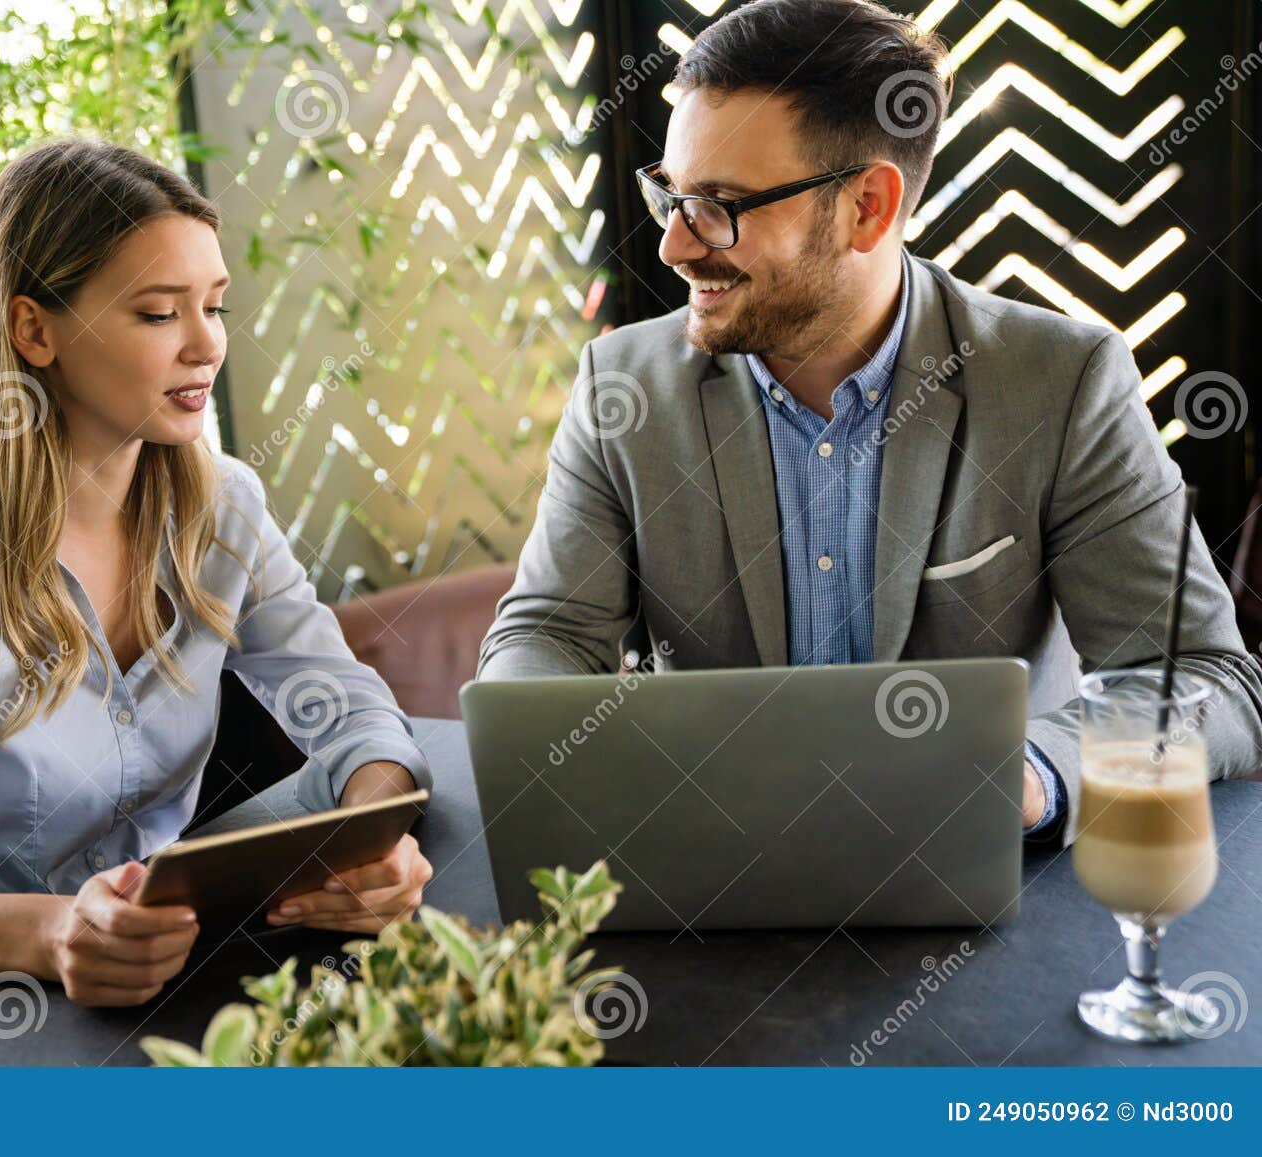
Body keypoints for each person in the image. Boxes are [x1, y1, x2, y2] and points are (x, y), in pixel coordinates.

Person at [477, 0, 1262, 846]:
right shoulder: (620, 389)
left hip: (986, 890)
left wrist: (1033, 776)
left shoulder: (1061, 383)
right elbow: (548, 633)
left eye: (719, 205)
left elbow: (1206, 681)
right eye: (669, 193)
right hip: (715, 877)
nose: (674, 244)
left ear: (868, 207)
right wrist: (550, 744)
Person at [0, 138, 434, 1012]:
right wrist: (54, 930)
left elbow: (355, 713)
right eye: (157, 313)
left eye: (214, 306)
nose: (205, 345)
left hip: (169, 988)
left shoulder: (226, 507)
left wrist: (372, 843)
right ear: (34, 328)